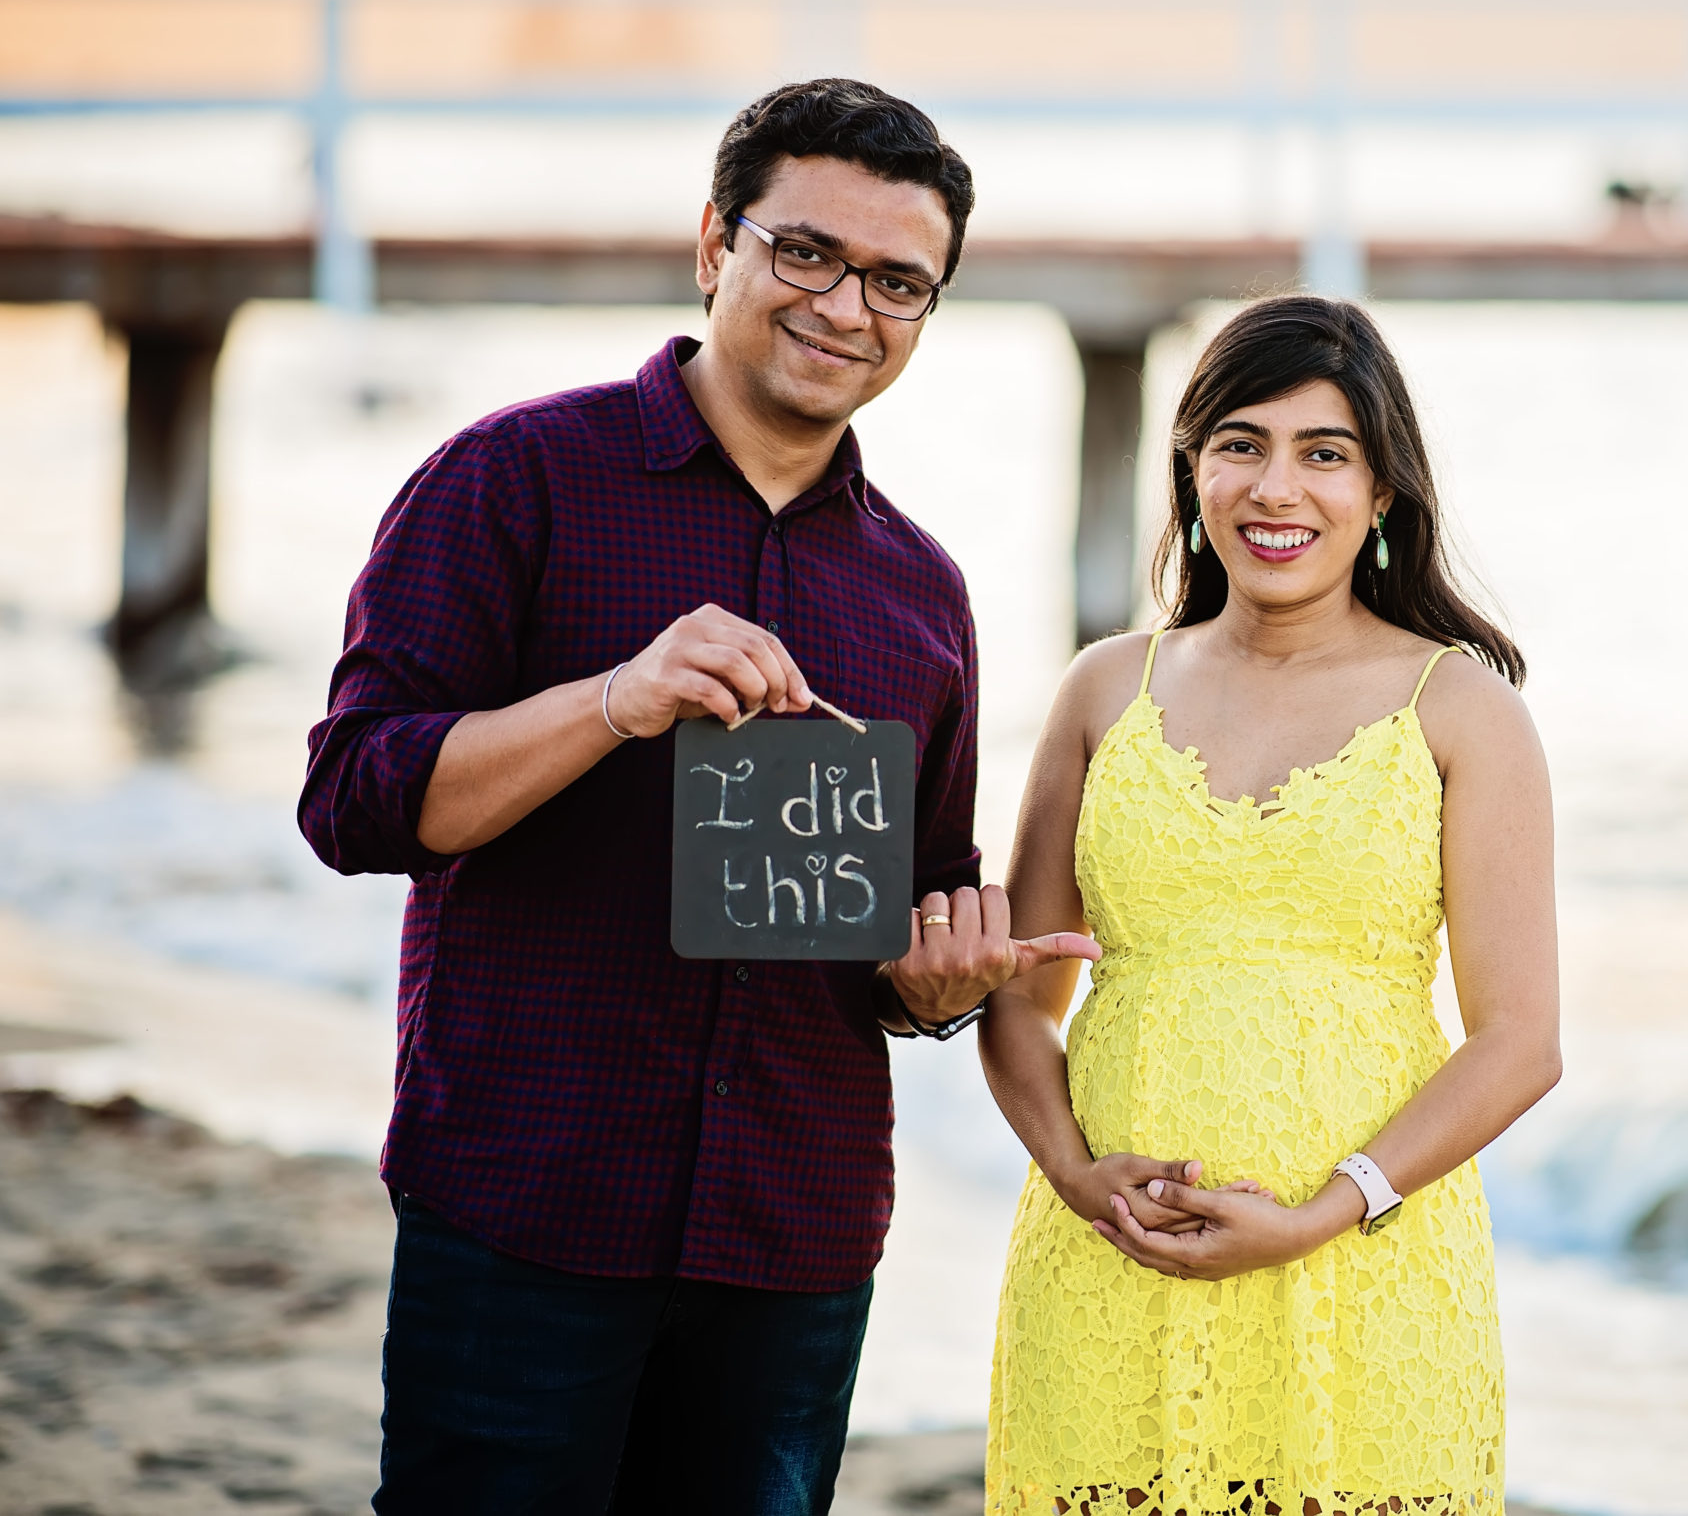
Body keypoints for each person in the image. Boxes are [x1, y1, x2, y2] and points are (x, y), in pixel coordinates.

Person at [299, 78, 1096, 1515]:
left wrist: (946, 983)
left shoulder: (921, 595)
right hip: (528, 1207)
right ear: (714, 244)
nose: (847, 306)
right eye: (806, 252)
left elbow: (898, 945)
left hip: (793, 1240)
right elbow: (354, 800)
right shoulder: (513, 480)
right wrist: (615, 700)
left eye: (898, 282)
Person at [979, 296, 1563, 1516]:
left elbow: (1520, 1043)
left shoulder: (1461, 709)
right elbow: (1021, 1000)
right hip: (1108, 1262)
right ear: (1190, 468)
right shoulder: (1102, 690)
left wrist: (1319, 1213)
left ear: (1384, 492)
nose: (1276, 487)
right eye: (1240, 443)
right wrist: (1076, 1173)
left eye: (1325, 453)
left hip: (1364, 1268)